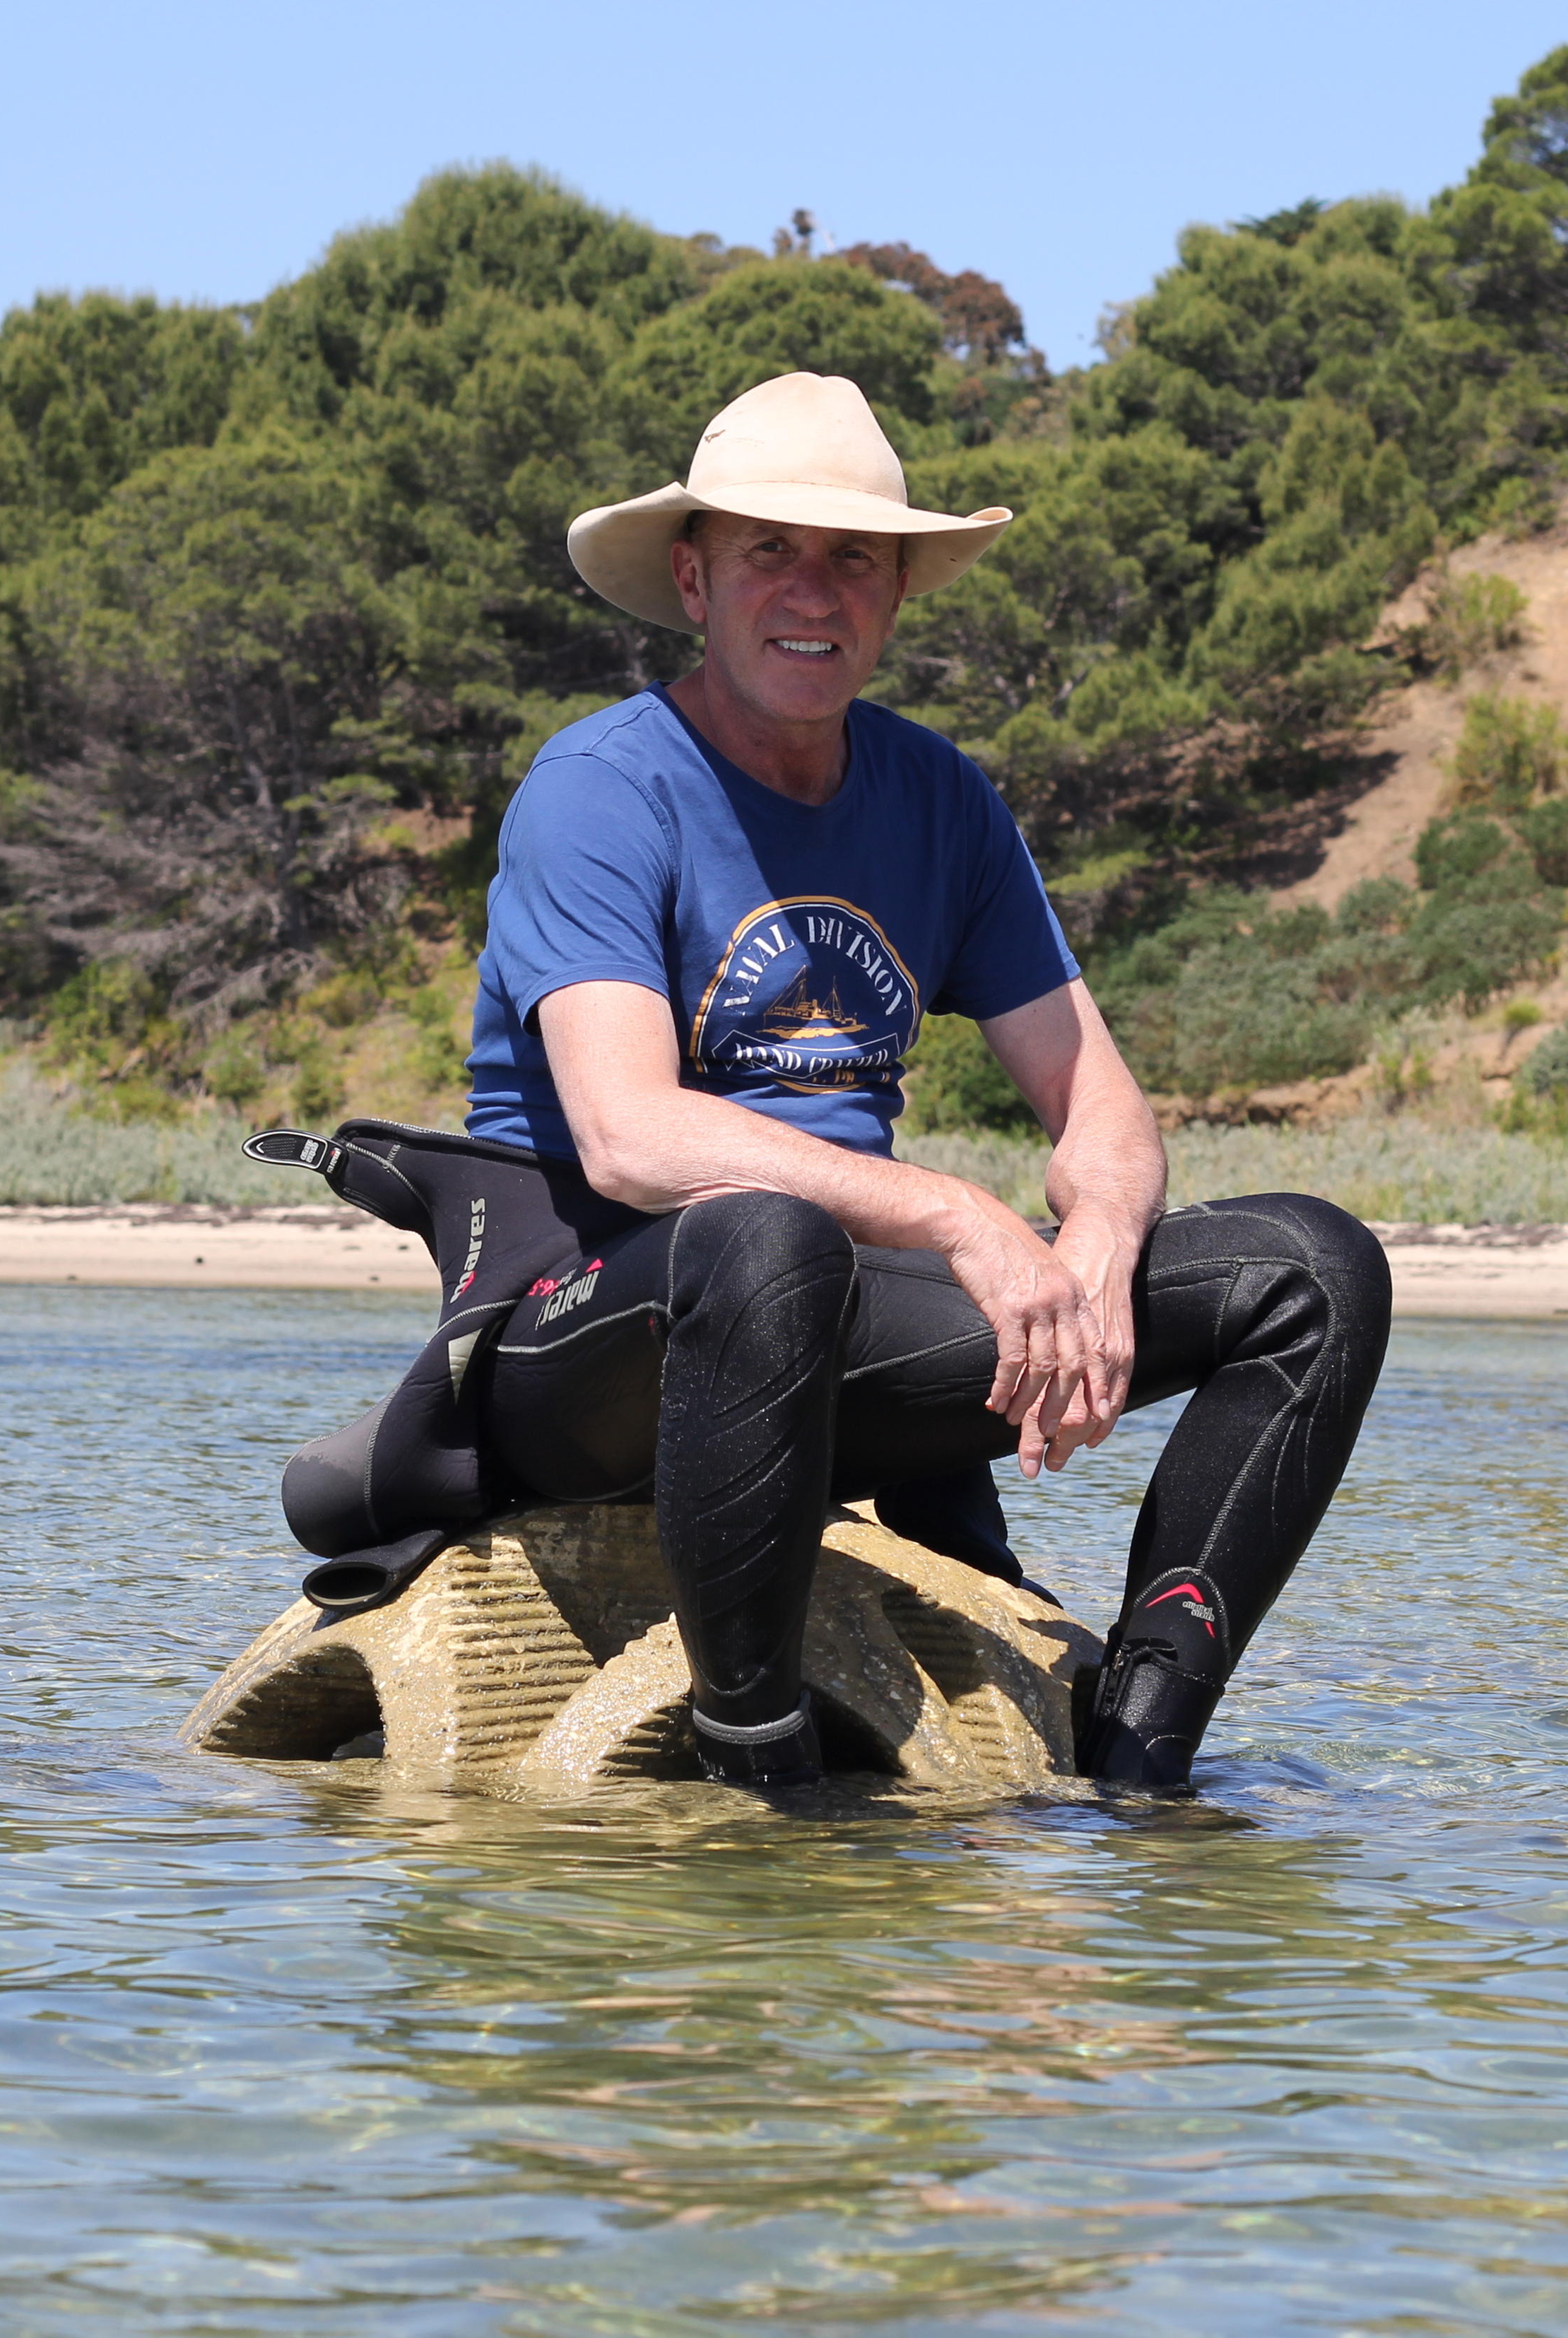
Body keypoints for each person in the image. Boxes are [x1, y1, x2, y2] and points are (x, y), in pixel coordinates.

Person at [457, 369, 1393, 1794]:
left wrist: (1092, 1251)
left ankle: (1141, 1752)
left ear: (898, 593)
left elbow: (1104, 1107)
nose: (813, 591)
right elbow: (629, 1135)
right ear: (694, 577)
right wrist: (960, 1214)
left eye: (855, 557)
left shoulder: (940, 798)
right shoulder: (598, 787)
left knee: (1314, 1269)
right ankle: (755, 1757)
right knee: (764, 1237)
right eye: (771, 549)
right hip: (584, 1336)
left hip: (837, 1336)